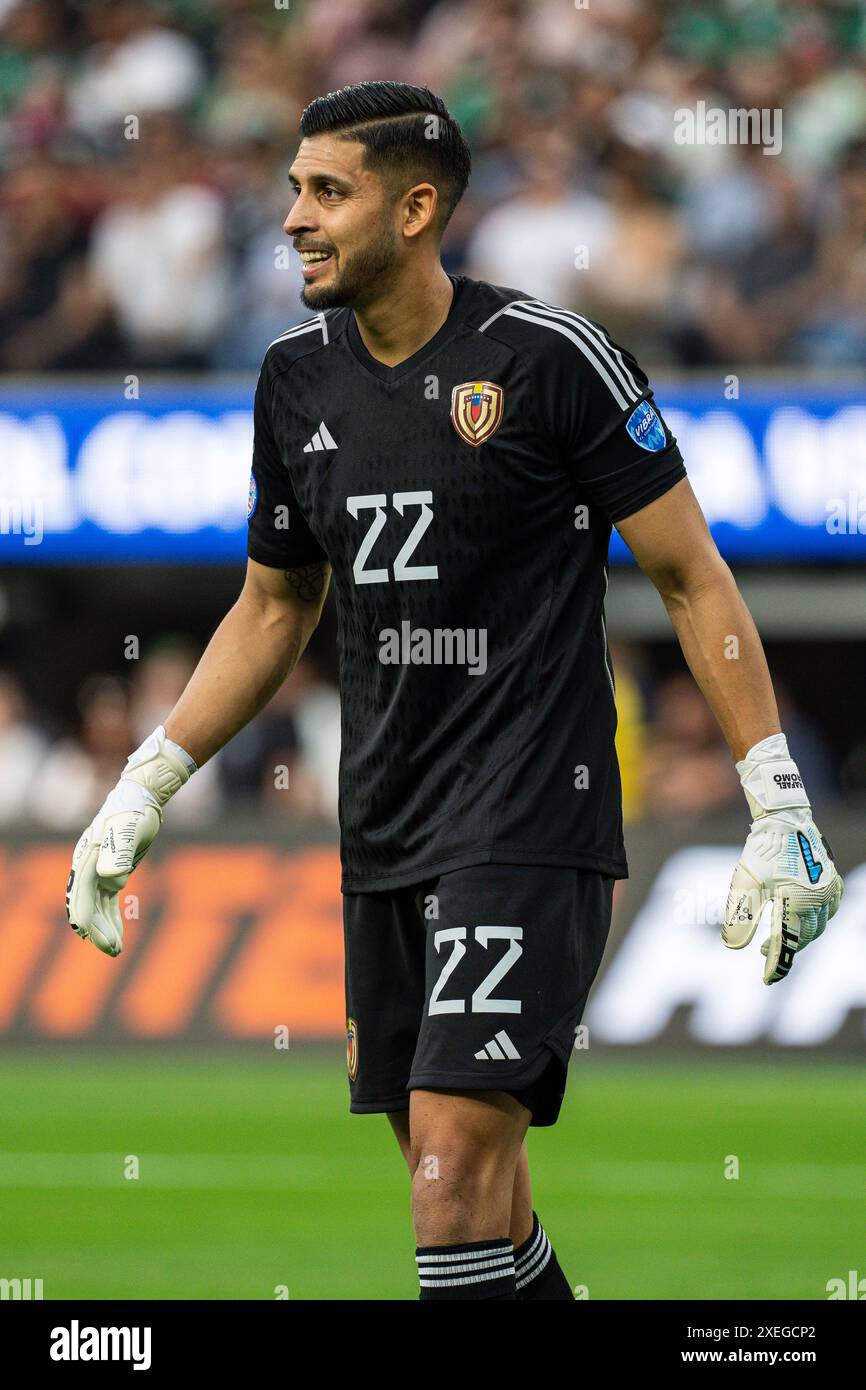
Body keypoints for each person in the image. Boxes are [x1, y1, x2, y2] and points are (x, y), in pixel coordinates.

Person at [66, 81, 843, 1302]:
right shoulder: (292, 382)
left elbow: (693, 578)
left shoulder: (548, 361)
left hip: (529, 814)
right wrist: (145, 781)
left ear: (416, 206)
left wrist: (775, 796)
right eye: (291, 190)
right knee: (472, 1197)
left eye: (329, 192)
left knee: (446, 1169)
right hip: (382, 824)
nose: (292, 220)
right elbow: (276, 605)